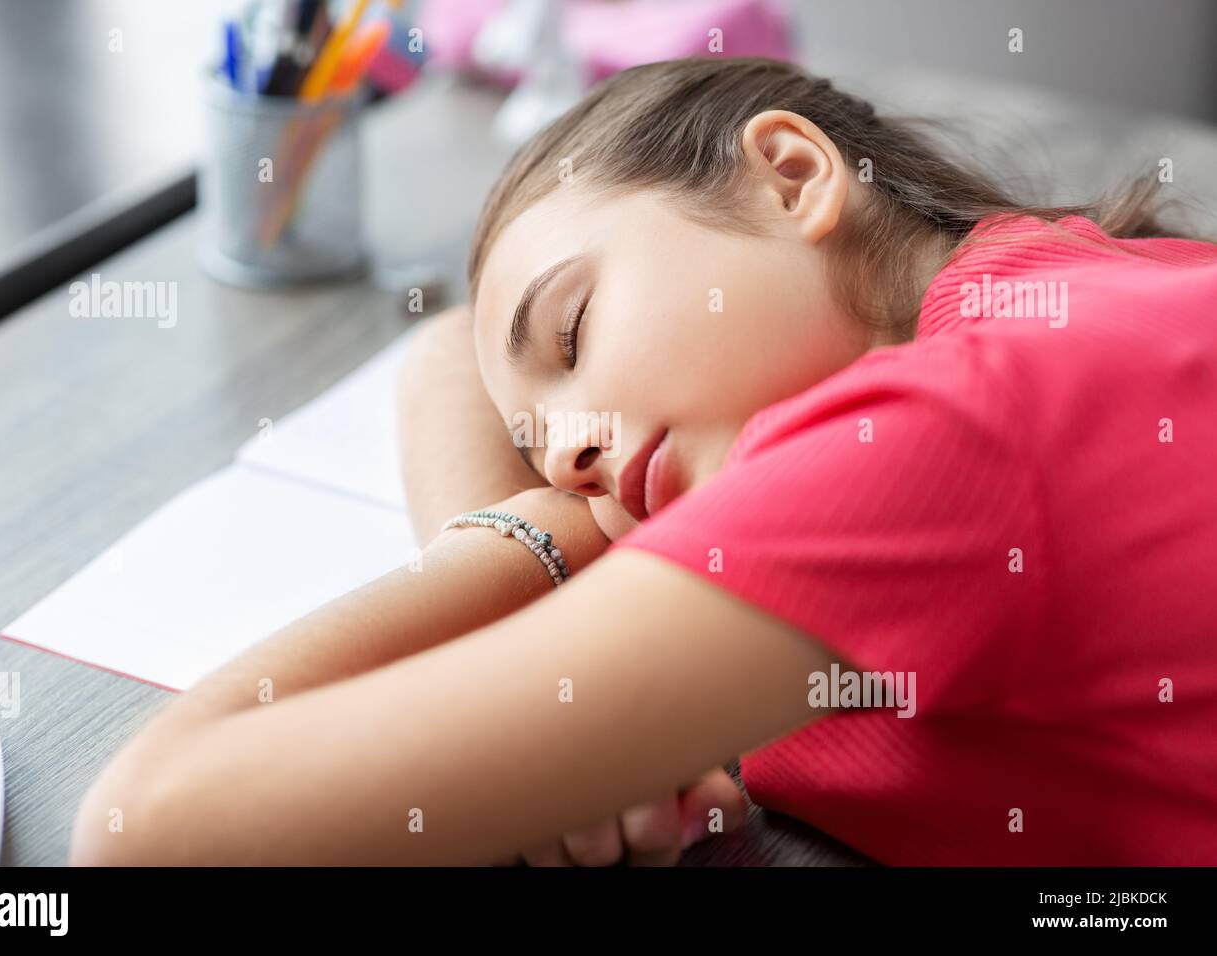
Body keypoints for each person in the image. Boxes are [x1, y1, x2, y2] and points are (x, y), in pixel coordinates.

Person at [71, 57, 1217, 866]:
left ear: (789, 173)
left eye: (571, 334)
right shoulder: (1066, 284)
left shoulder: (928, 438)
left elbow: (147, 823)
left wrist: (552, 550)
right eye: (540, 446)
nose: (567, 449)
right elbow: (444, 357)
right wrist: (566, 689)